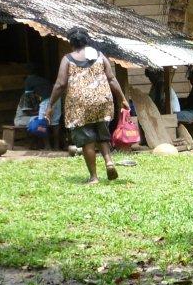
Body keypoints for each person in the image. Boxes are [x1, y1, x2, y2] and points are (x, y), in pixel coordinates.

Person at [42, 28, 130, 184]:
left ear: (71, 43)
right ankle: (109, 161)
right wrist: (122, 98)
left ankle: (94, 177)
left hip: (79, 105)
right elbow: (111, 78)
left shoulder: (68, 59)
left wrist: (50, 106)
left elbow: (61, 84)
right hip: (102, 101)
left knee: (87, 139)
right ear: (87, 40)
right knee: (101, 131)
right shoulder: (100, 55)